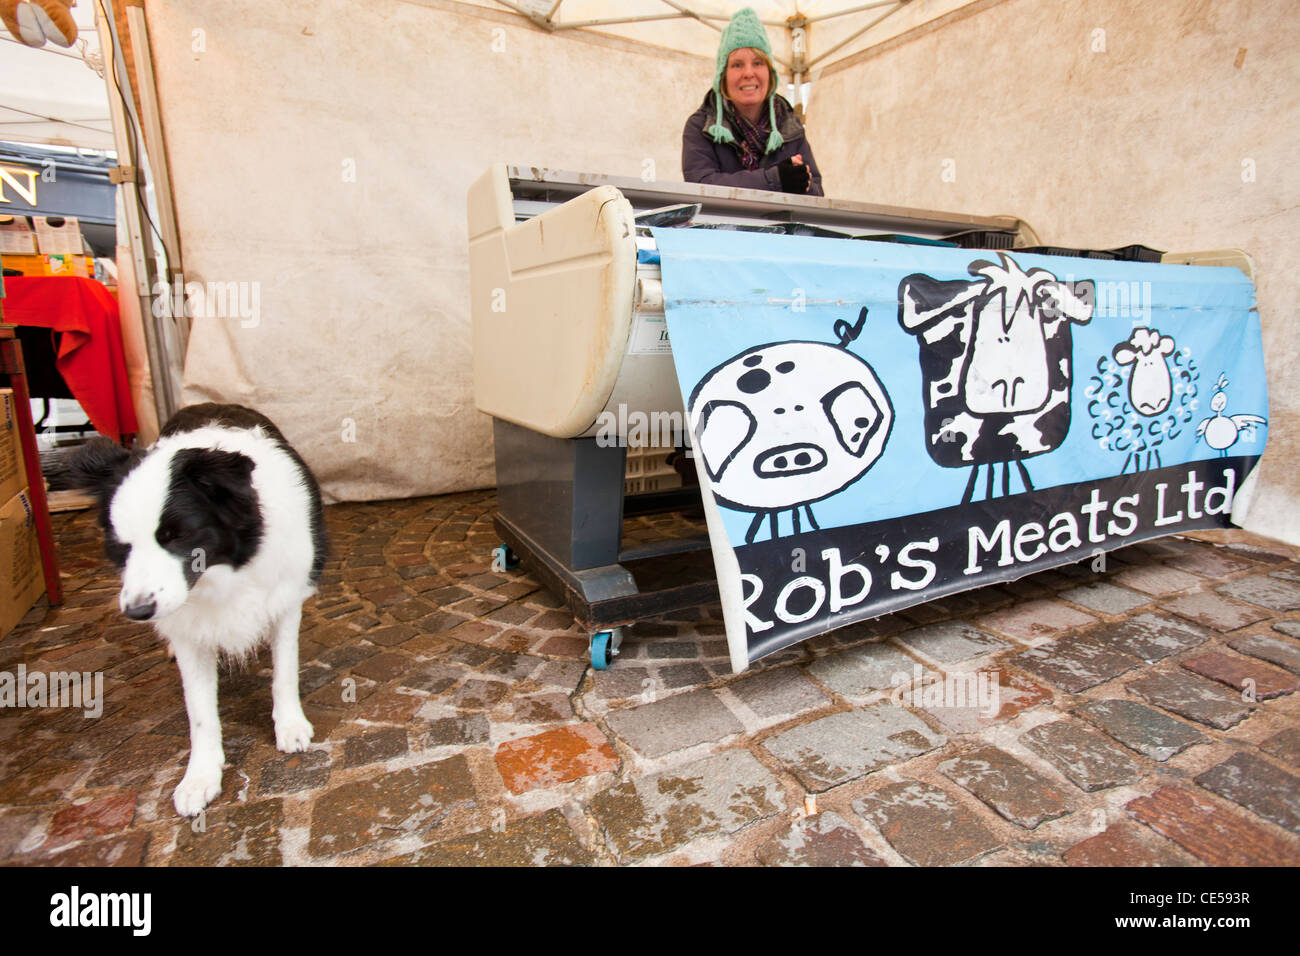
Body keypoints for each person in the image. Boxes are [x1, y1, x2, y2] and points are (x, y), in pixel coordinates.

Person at [681, 7, 823, 197]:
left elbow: (816, 193)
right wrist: (774, 180)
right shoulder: (700, 127)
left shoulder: (790, 126)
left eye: (758, 63)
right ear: (723, 75)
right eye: (737, 65)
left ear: (769, 72)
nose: (748, 73)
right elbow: (702, 186)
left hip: (781, 226)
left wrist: (801, 182)